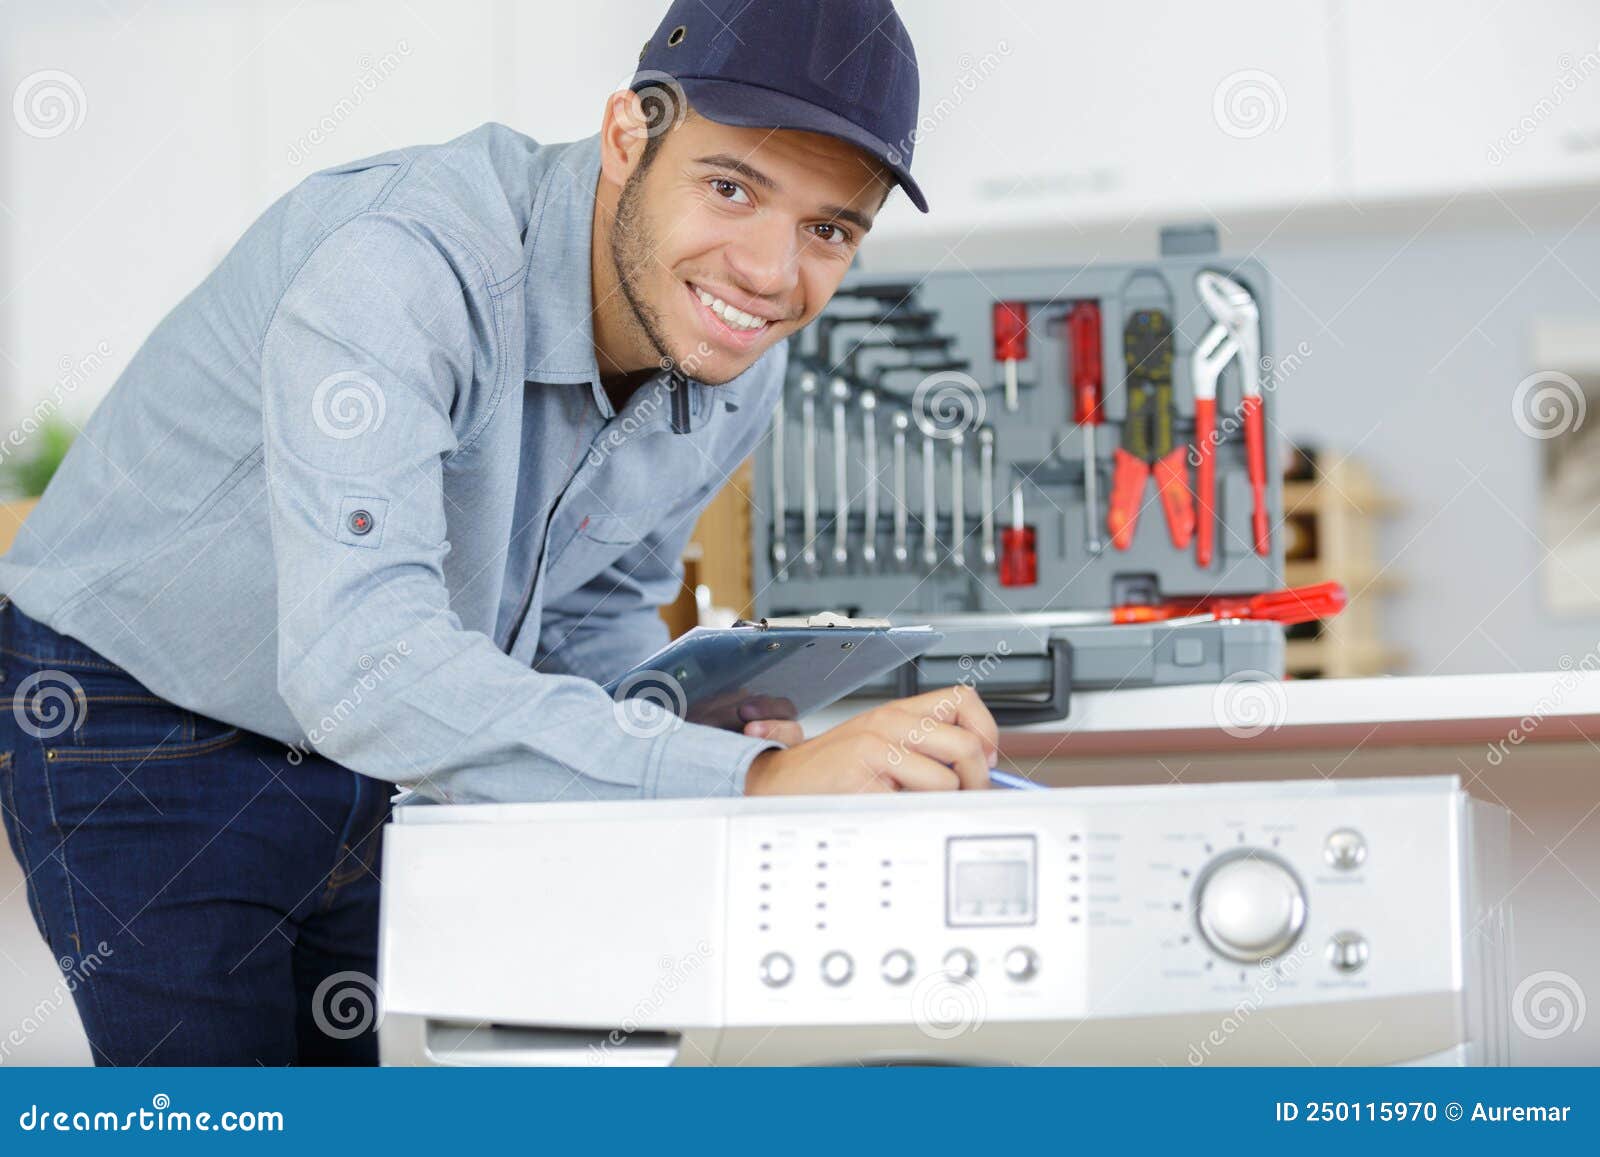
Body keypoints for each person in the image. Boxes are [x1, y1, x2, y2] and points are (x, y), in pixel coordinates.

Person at [0, 0, 996, 1066]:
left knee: (388, 1092)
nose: (767, 272)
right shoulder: (399, 266)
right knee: (227, 1116)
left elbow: (592, 610)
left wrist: (709, 729)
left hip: (387, 726)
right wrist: (745, 783)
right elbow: (363, 671)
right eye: (731, 187)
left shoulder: (734, 348)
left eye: (828, 229)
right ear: (628, 135)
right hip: (140, 708)